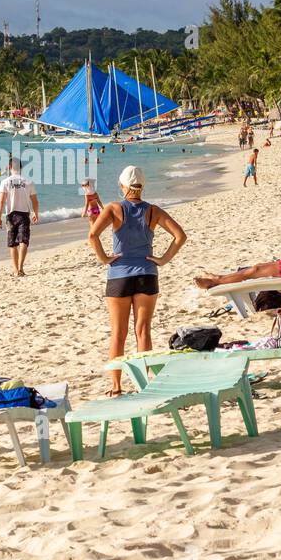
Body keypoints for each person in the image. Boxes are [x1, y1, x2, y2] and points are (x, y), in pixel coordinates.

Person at [89, 166, 187, 395]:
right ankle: (144, 384)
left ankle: (116, 387)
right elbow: (180, 236)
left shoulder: (114, 208)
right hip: (147, 274)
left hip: (119, 275)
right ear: (142, 186)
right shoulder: (153, 211)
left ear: (123, 186)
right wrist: (163, 259)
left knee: (118, 333)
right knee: (143, 331)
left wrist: (105, 258)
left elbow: (92, 235)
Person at [0, 157, 39, 276]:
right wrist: (36, 213)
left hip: (10, 215)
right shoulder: (28, 181)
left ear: (9, 167)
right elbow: (35, 200)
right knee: (23, 241)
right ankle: (21, 268)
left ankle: (15, 269)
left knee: (12, 243)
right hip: (24, 214)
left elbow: (1, 201)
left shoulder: (5, 182)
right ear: (21, 167)